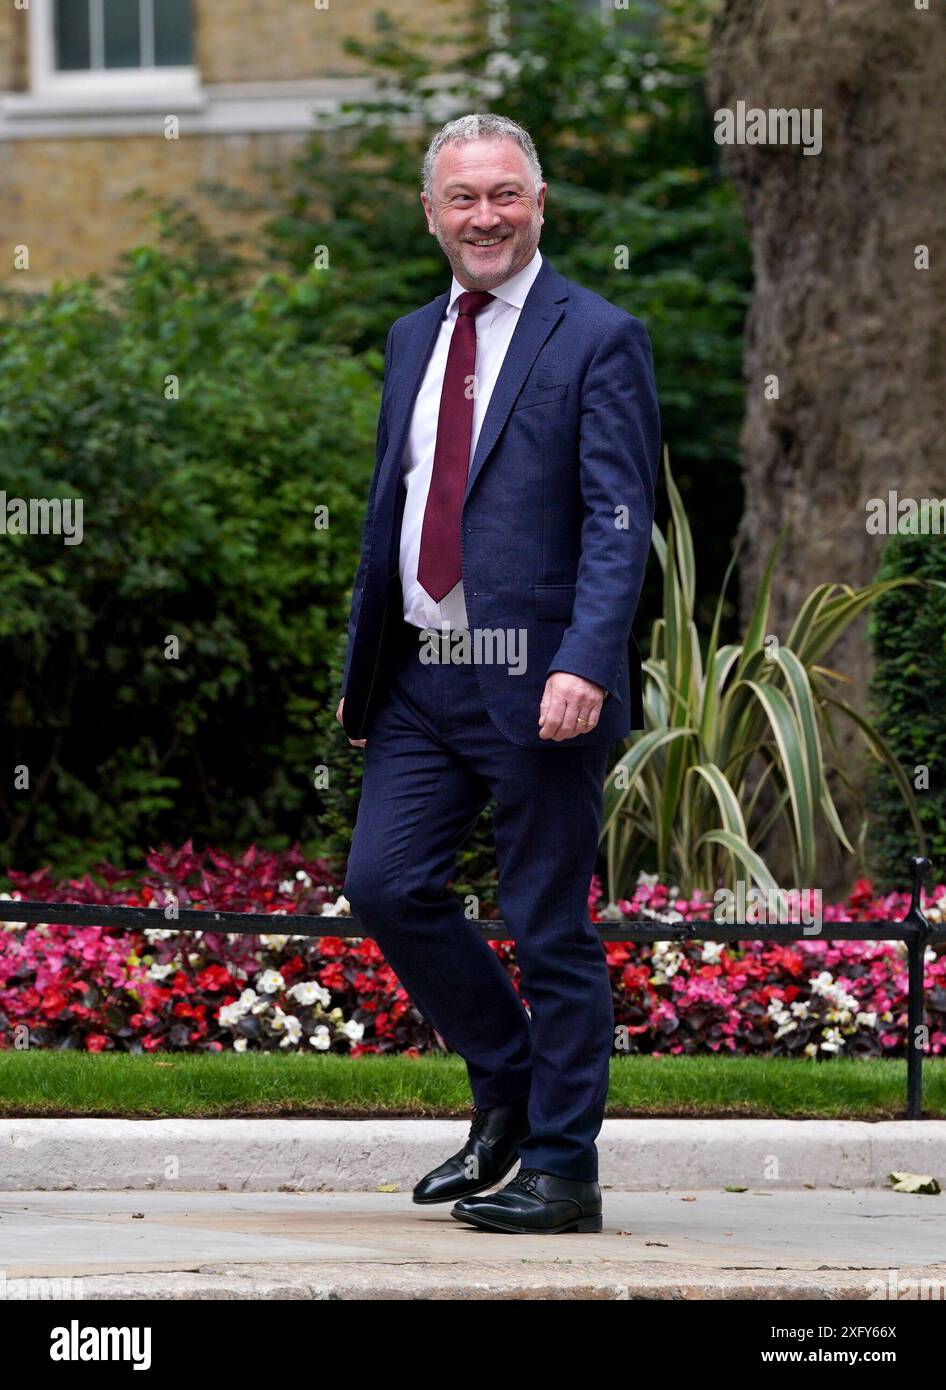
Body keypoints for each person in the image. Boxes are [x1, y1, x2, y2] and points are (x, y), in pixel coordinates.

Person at [336, 112, 661, 1234]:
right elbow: (397, 509)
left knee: (546, 922)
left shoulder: (598, 334)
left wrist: (586, 659)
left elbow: (621, 522)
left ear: (539, 203)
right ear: (431, 213)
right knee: (383, 883)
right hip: (424, 677)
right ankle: (510, 1097)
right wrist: (362, 664)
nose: (486, 216)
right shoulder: (411, 336)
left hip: (541, 681)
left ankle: (562, 1171)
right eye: (463, 198)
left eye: (504, 194)